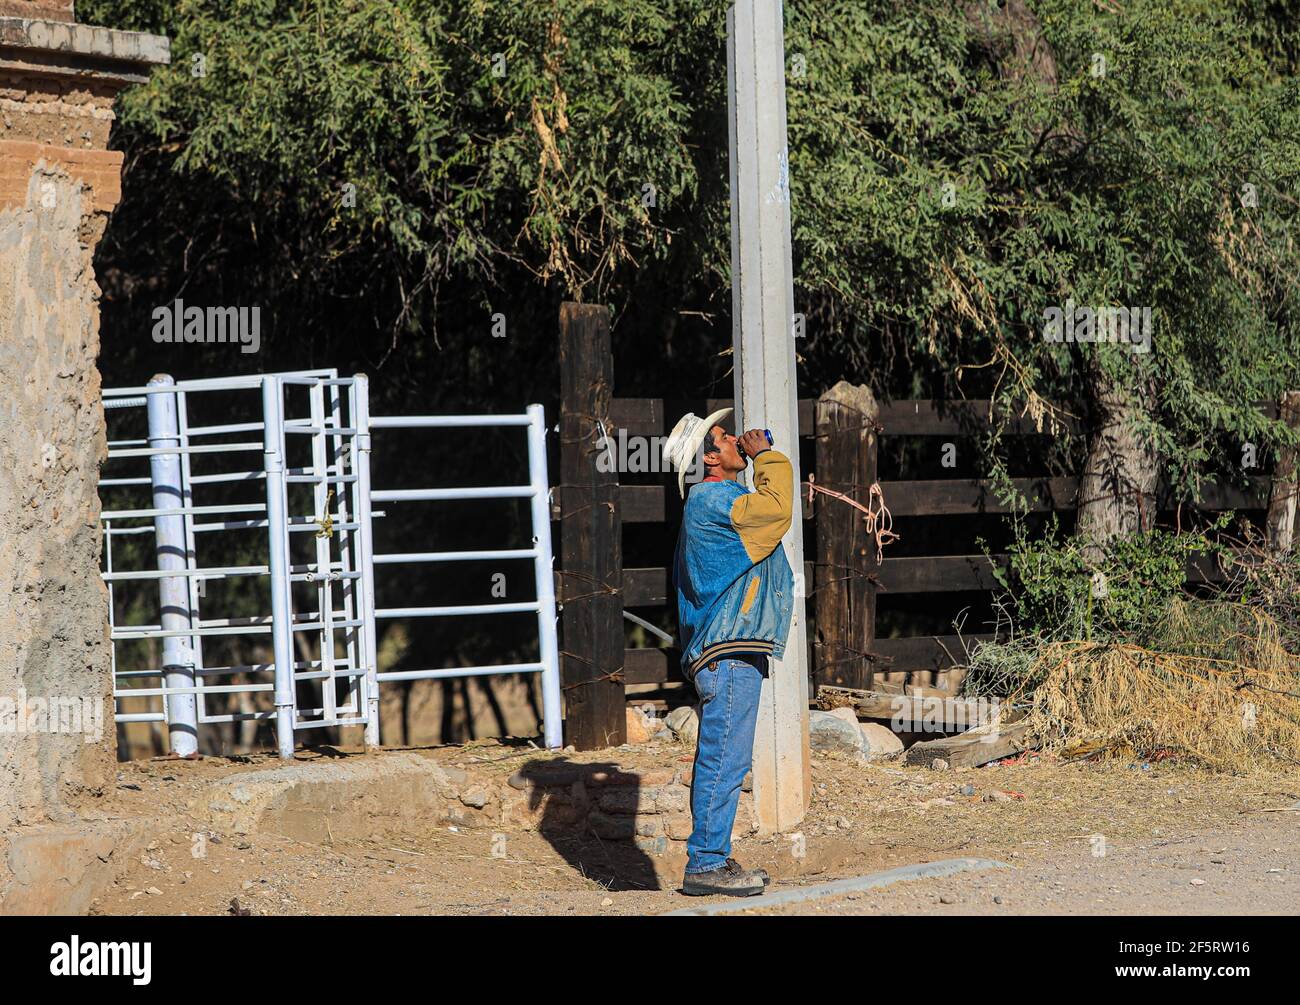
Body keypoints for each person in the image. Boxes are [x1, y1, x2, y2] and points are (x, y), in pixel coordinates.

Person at [662, 408, 794, 896]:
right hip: (728, 653)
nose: (737, 437)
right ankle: (707, 863)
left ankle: (711, 858)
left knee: (725, 757)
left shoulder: (719, 498)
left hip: (728, 652)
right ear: (712, 456)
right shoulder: (715, 498)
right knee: (724, 760)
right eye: (725, 437)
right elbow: (778, 510)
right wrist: (768, 456)